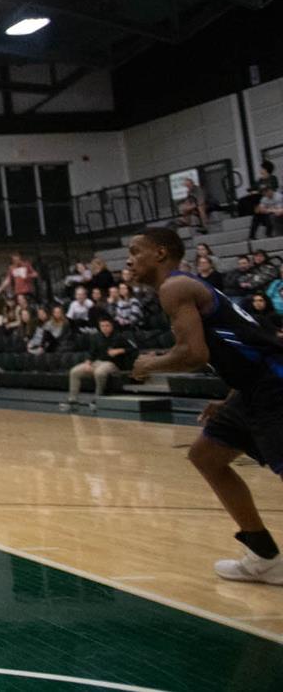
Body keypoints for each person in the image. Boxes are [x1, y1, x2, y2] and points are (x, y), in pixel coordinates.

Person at [125, 226, 283, 585]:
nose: (130, 260)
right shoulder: (182, 289)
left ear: (161, 253)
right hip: (252, 387)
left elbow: (194, 354)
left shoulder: (174, 287)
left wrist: (150, 363)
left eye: (136, 251)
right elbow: (241, 345)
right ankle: (264, 556)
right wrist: (230, 397)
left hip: (274, 385)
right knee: (206, 455)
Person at [61, 318, 134, 412]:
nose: (105, 328)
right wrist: (88, 363)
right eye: (102, 326)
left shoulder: (119, 337)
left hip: (112, 364)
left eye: (107, 326)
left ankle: (98, 398)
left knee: (99, 372)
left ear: (112, 326)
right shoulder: (96, 337)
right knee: (75, 371)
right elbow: (91, 353)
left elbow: (133, 349)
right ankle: (73, 399)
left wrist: (119, 350)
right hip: (97, 362)